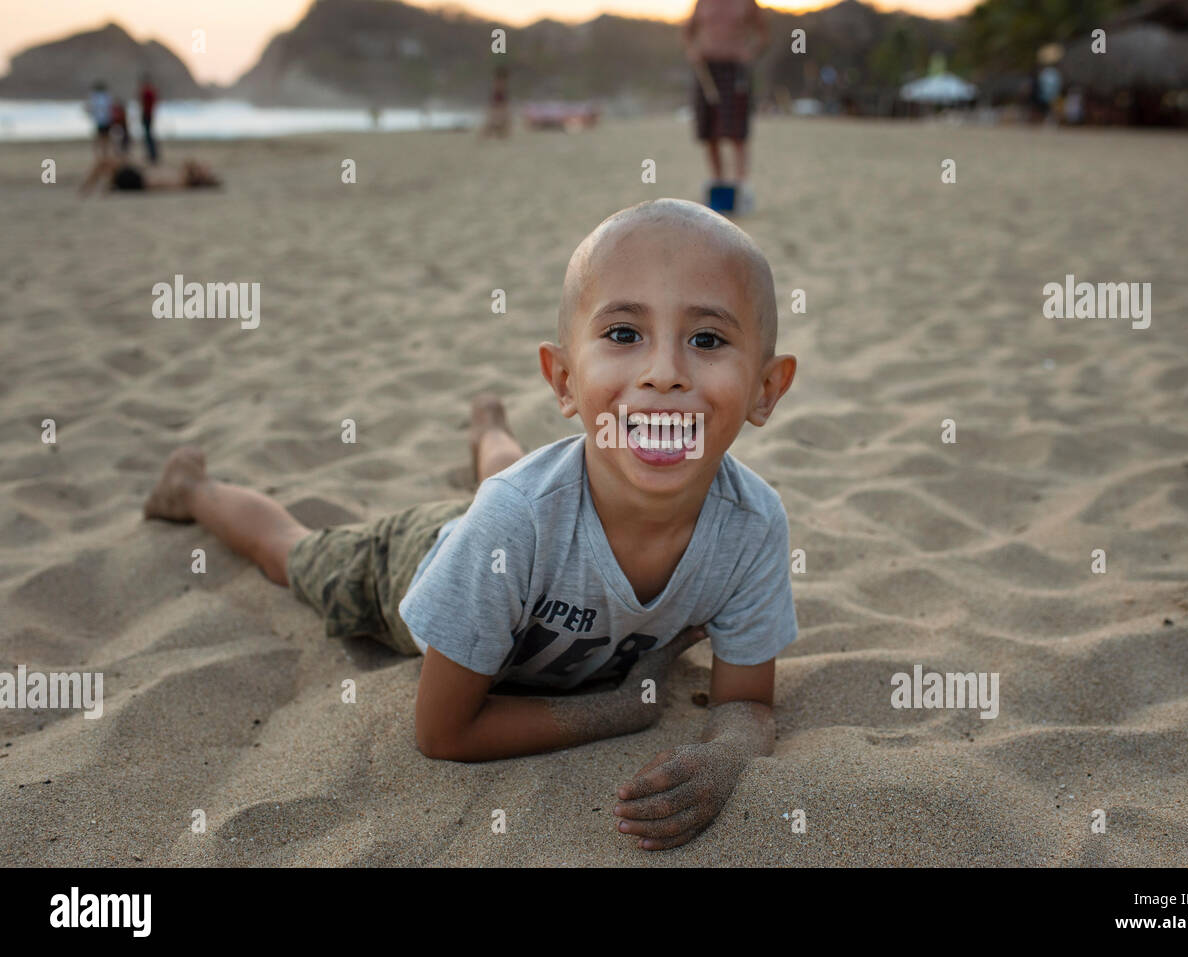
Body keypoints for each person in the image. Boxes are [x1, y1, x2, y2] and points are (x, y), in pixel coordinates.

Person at [143, 198, 799, 851]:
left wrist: (728, 757)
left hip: (516, 518)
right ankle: (193, 488)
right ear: (565, 379)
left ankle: (489, 431)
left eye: (707, 339)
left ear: (766, 390)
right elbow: (442, 733)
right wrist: (621, 709)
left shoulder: (754, 526)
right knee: (291, 554)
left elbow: (746, 704)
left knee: (516, 487)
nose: (664, 374)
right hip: (418, 555)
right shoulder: (512, 521)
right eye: (624, 334)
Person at [684, 0, 768, 213]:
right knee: (710, 132)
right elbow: (687, 32)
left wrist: (751, 51)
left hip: (736, 70)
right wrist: (692, 50)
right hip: (707, 72)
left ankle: (741, 185)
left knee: (736, 131)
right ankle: (718, 183)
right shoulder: (702, 3)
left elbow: (763, 33)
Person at [80, 156, 220, 195]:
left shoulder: (183, 181)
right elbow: (188, 162)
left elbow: (189, 163)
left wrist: (199, 170)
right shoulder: (183, 178)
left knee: (104, 163)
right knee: (106, 163)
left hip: (138, 180)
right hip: (139, 178)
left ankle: (85, 189)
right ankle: (89, 188)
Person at [481, 65, 510, 138]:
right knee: (496, 121)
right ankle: (494, 134)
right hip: (497, 104)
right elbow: (498, 95)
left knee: (497, 121)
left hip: (497, 103)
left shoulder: (498, 83)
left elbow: (497, 95)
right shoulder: (499, 84)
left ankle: (497, 134)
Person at [87, 81, 113, 159]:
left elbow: (91, 108)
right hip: (105, 119)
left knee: (100, 137)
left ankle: (100, 154)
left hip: (101, 120)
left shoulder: (96, 97)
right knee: (105, 138)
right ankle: (104, 154)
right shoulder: (106, 96)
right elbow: (109, 108)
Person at [139, 73, 159, 164]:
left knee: (148, 136)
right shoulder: (151, 91)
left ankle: (152, 155)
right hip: (149, 114)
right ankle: (152, 155)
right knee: (149, 135)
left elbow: (145, 105)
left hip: (147, 115)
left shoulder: (147, 92)